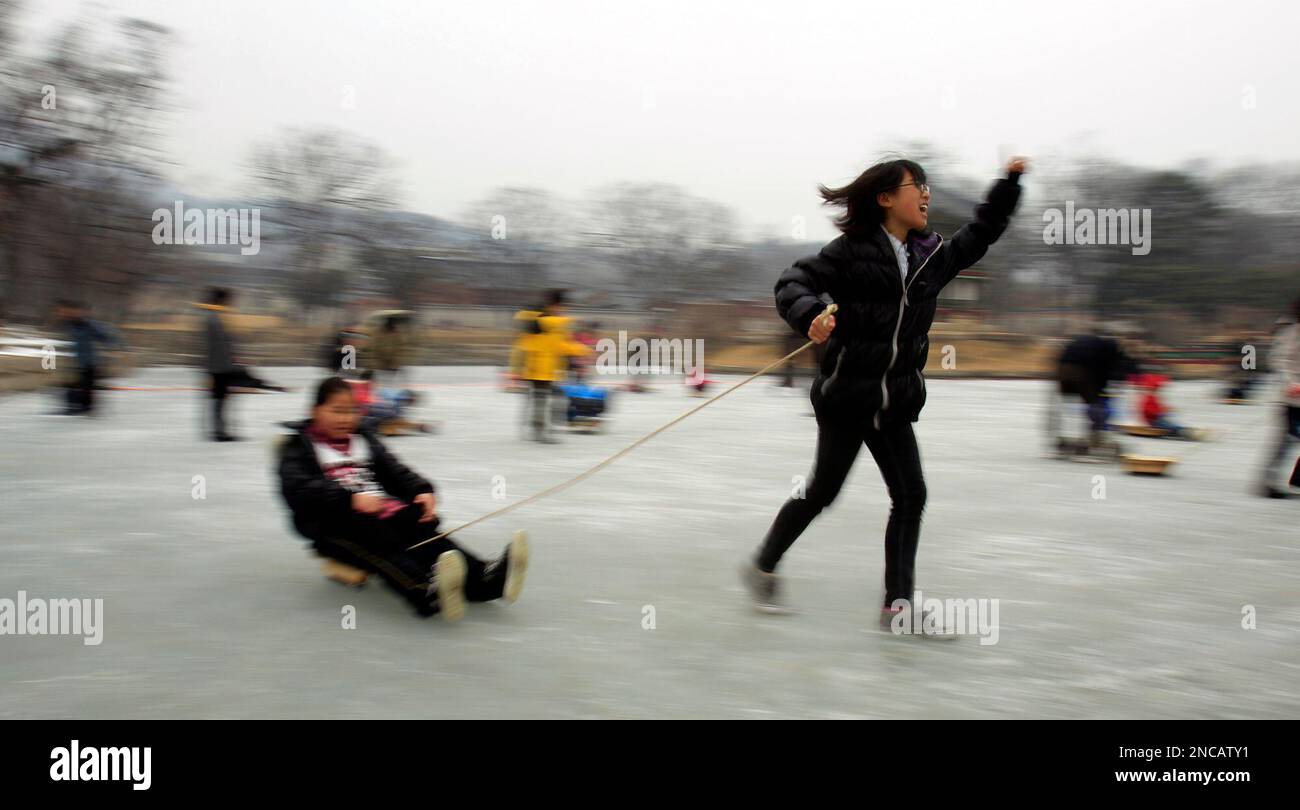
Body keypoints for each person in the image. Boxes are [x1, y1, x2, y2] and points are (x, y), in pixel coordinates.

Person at [743, 156, 1027, 638]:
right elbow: (793, 282)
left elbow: (982, 231)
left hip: (894, 401)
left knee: (910, 495)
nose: (927, 194)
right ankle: (763, 565)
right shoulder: (850, 252)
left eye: (926, 186)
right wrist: (809, 313)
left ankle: (898, 609)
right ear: (886, 198)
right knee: (822, 492)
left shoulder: (932, 259)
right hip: (847, 397)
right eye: (917, 186)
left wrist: (1010, 183)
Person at [278, 377, 529, 620]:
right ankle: (424, 591)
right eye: (337, 411)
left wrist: (420, 490)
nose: (345, 418)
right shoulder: (298, 447)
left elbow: (395, 471)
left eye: (351, 411)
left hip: (380, 510)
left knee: (420, 527)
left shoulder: (362, 440)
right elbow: (299, 490)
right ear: (316, 410)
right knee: (378, 538)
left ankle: (484, 580)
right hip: (333, 524)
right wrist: (349, 499)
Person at [199, 287, 286, 441]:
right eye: (228, 300)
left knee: (221, 399)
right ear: (221, 300)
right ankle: (219, 432)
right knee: (220, 399)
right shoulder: (214, 318)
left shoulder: (214, 316)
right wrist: (231, 363)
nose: (230, 303)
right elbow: (220, 345)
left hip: (219, 366)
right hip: (220, 368)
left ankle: (220, 430)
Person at [1050, 333, 1137, 457]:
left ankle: (1077, 436)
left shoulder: (1100, 345)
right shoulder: (1110, 353)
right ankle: (1095, 437)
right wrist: (1102, 392)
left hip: (1062, 371)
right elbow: (1101, 374)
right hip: (1079, 370)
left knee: (1080, 402)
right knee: (1095, 403)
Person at [1260, 296, 1300, 498]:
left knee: (1291, 438)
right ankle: (1268, 482)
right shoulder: (1292, 332)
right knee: (1286, 439)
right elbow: (1278, 359)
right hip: (1290, 398)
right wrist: (1291, 382)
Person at [55, 299, 121, 415]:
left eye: (65, 311)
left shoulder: (89, 325)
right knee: (70, 387)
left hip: (90, 363)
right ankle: (72, 408)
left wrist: (113, 347)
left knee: (85, 389)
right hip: (76, 363)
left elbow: (107, 336)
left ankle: (85, 409)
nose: (62, 313)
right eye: (61, 311)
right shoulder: (68, 325)